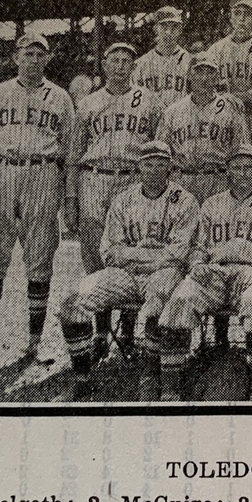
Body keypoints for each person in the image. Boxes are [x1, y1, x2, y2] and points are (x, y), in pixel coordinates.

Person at [0, 32, 74, 370]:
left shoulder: (61, 98)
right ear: (16, 58)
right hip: (0, 172)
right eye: (27, 53)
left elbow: (68, 150)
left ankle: (35, 343)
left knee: (40, 259)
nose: (33, 59)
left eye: (40, 54)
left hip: (42, 172)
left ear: (48, 59)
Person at [57, 141, 199, 401]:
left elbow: (179, 252)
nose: (154, 170)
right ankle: (82, 378)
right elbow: (109, 250)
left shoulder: (185, 201)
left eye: (160, 164)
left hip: (164, 273)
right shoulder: (123, 200)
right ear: (139, 167)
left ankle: (152, 375)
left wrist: (134, 254)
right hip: (126, 273)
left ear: (170, 167)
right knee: (71, 302)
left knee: (160, 303)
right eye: (148, 164)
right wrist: (146, 256)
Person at [157, 143, 252, 401]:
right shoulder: (212, 204)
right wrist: (197, 265)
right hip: (214, 273)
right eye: (237, 168)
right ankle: (170, 388)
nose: (243, 173)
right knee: (180, 299)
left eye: (249, 167)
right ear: (227, 170)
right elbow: (199, 247)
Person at [65, 40, 161, 359]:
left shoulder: (150, 101)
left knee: (133, 251)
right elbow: (75, 154)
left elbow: (159, 150)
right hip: (95, 176)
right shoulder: (88, 103)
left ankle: (129, 334)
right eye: (114, 60)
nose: (120, 65)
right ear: (104, 65)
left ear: (134, 66)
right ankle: (101, 333)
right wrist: (71, 198)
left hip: (133, 178)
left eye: (126, 61)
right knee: (95, 257)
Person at [157, 54, 249, 207]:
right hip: (182, 181)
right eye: (199, 72)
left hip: (218, 181)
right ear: (189, 75)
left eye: (210, 72)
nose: (204, 78)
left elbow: (243, 153)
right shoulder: (172, 111)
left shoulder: (231, 109)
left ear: (217, 77)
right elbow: (161, 154)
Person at [206, 0, 252, 141]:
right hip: (221, 121)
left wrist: (229, 96)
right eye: (237, 13)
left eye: (247, 14)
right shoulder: (216, 49)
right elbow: (206, 88)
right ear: (230, 17)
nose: (242, 19)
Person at [132, 4, 192, 112]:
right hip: (150, 123)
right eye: (164, 27)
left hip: (181, 121)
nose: (168, 32)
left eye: (174, 27)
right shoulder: (141, 64)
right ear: (156, 29)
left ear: (180, 30)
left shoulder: (190, 61)